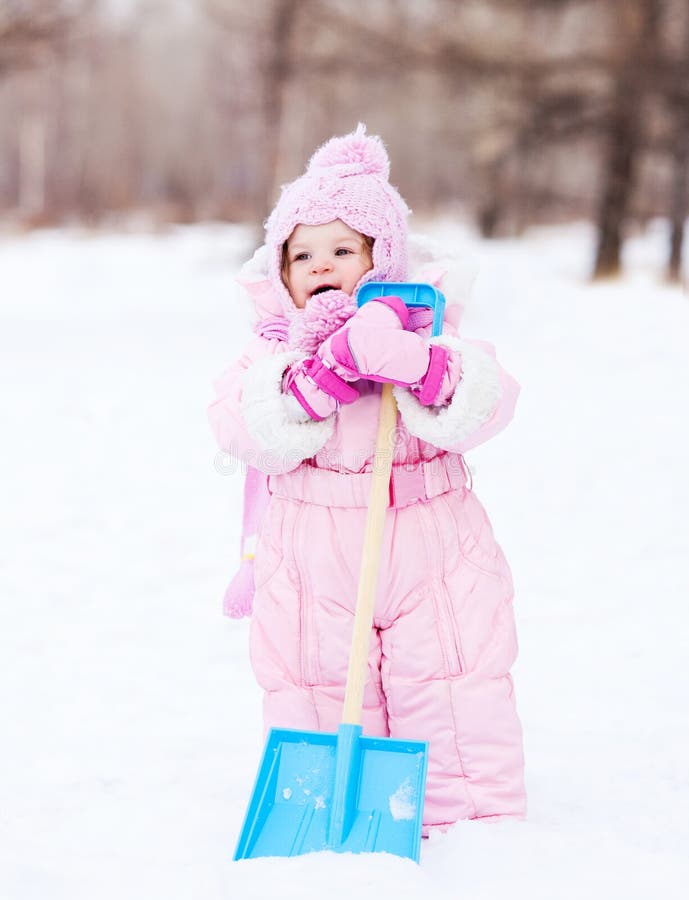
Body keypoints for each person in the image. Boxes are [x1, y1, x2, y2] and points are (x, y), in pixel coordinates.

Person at [208, 124, 526, 830]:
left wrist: (415, 365)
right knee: (315, 684)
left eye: (343, 250)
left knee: (449, 680)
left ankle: (470, 826)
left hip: (431, 548)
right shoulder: (267, 360)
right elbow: (235, 424)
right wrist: (311, 383)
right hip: (311, 557)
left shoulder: (431, 337)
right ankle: (332, 825)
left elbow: (491, 399)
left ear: (384, 259)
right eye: (303, 253)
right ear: (279, 271)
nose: (321, 264)